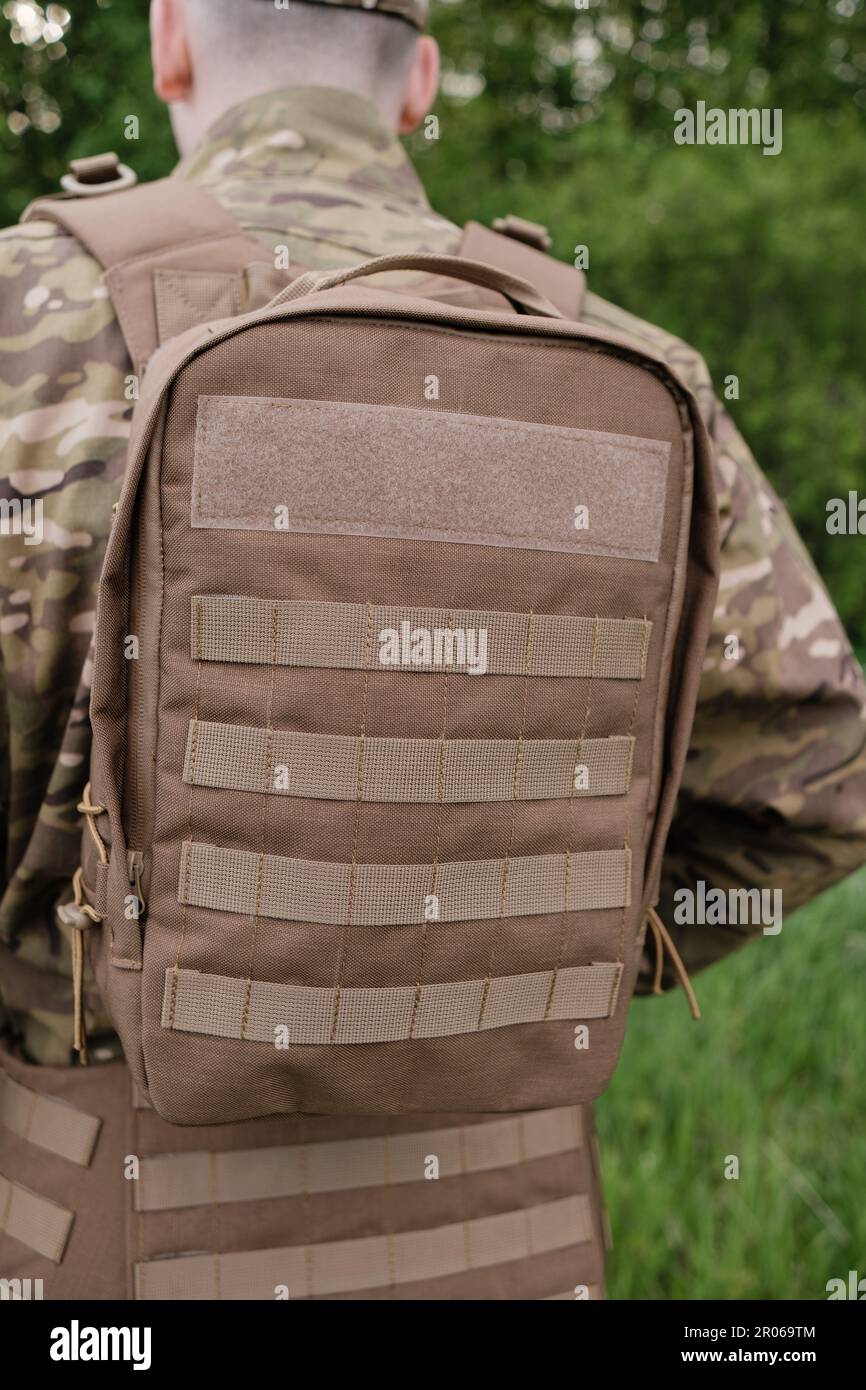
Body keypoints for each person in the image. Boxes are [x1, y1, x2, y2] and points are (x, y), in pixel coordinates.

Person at [1, 0, 864, 1301]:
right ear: (421, 83)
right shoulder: (628, 369)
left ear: (170, 41)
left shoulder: (24, 323)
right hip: (506, 1248)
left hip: (94, 1254)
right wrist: (517, 958)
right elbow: (820, 772)